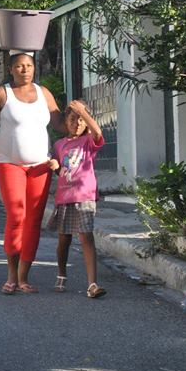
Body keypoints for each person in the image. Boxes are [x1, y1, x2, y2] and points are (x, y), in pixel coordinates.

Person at [0, 51, 64, 295]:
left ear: (34, 68)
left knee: (34, 221)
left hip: (40, 167)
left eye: (29, 65)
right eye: (20, 66)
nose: (25, 69)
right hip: (10, 164)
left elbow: (60, 125)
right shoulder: (2, 94)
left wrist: (84, 117)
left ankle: (24, 277)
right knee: (16, 215)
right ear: (11, 69)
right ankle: (11, 274)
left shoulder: (44, 93)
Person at [47, 99, 106, 299]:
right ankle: (61, 274)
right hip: (64, 197)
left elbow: (97, 133)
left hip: (85, 196)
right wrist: (54, 164)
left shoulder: (89, 142)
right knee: (64, 239)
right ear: (65, 120)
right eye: (73, 118)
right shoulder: (59, 145)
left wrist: (84, 112)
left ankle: (92, 284)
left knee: (86, 236)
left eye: (82, 119)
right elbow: (58, 170)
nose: (78, 123)